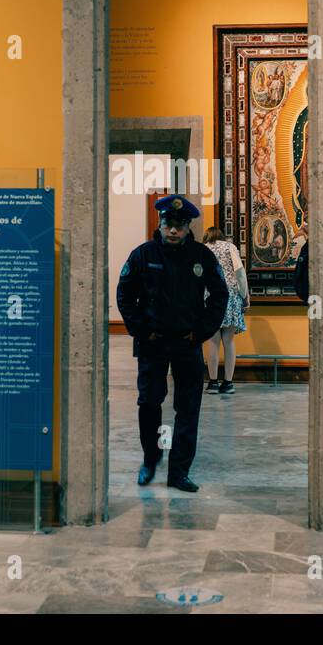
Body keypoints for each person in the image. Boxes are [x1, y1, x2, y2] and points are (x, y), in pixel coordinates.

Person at [115, 195, 228, 492]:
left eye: (179, 225)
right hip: (152, 344)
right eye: (168, 224)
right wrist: (141, 329)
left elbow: (219, 296)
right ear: (160, 224)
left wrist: (201, 331)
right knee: (149, 404)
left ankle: (178, 472)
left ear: (188, 227)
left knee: (188, 409)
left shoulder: (202, 256)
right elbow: (125, 295)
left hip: (186, 344)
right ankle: (150, 461)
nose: (173, 230)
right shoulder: (143, 254)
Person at [202, 226, 248, 395]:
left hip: (210, 296)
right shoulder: (230, 247)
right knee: (229, 341)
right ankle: (228, 383)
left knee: (213, 341)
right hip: (231, 296)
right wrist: (245, 296)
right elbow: (240, 273)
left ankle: (212, 382)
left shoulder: (204, 248)